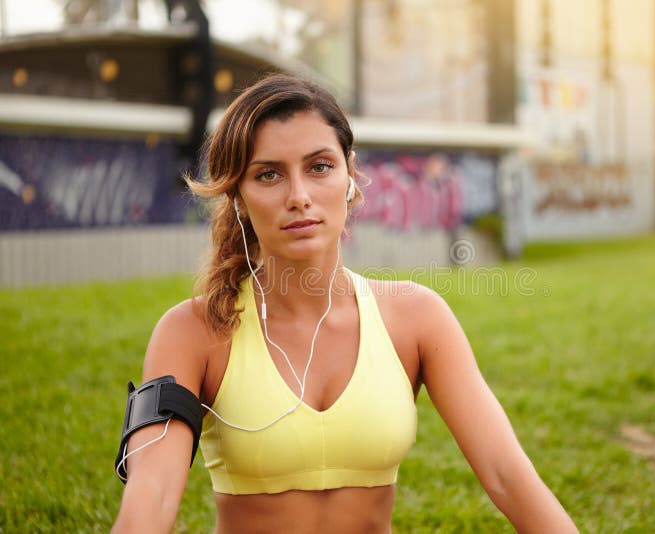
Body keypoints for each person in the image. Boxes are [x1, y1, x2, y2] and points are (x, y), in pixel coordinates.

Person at [111, 73, 578, 533]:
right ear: (238, 196)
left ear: (350, 176)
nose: (299, 197)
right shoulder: (193, 331)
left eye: (319, 167)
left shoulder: (417, 318)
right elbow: (152, 497)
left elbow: (507, 475)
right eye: (268, 174)